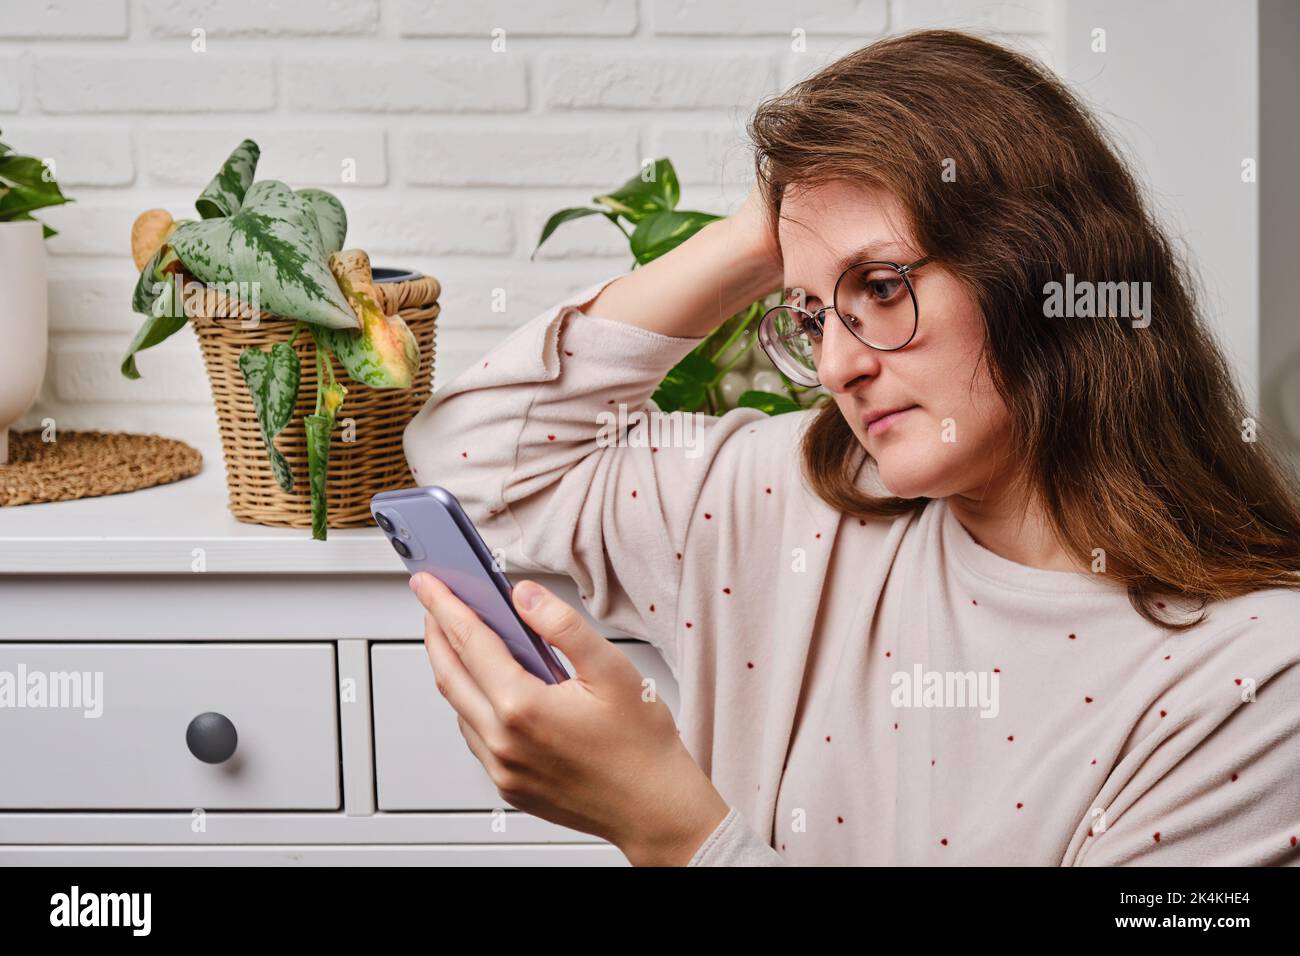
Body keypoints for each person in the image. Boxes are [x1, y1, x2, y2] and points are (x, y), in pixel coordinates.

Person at [403, 30, 1300, 866]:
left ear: (1040, 268)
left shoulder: (1261, 681)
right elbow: (477, 457)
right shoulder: (788, 504)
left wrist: (673, 834)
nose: (835, 364)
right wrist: (781, 223)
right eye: (810, 313)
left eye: (878, 287)